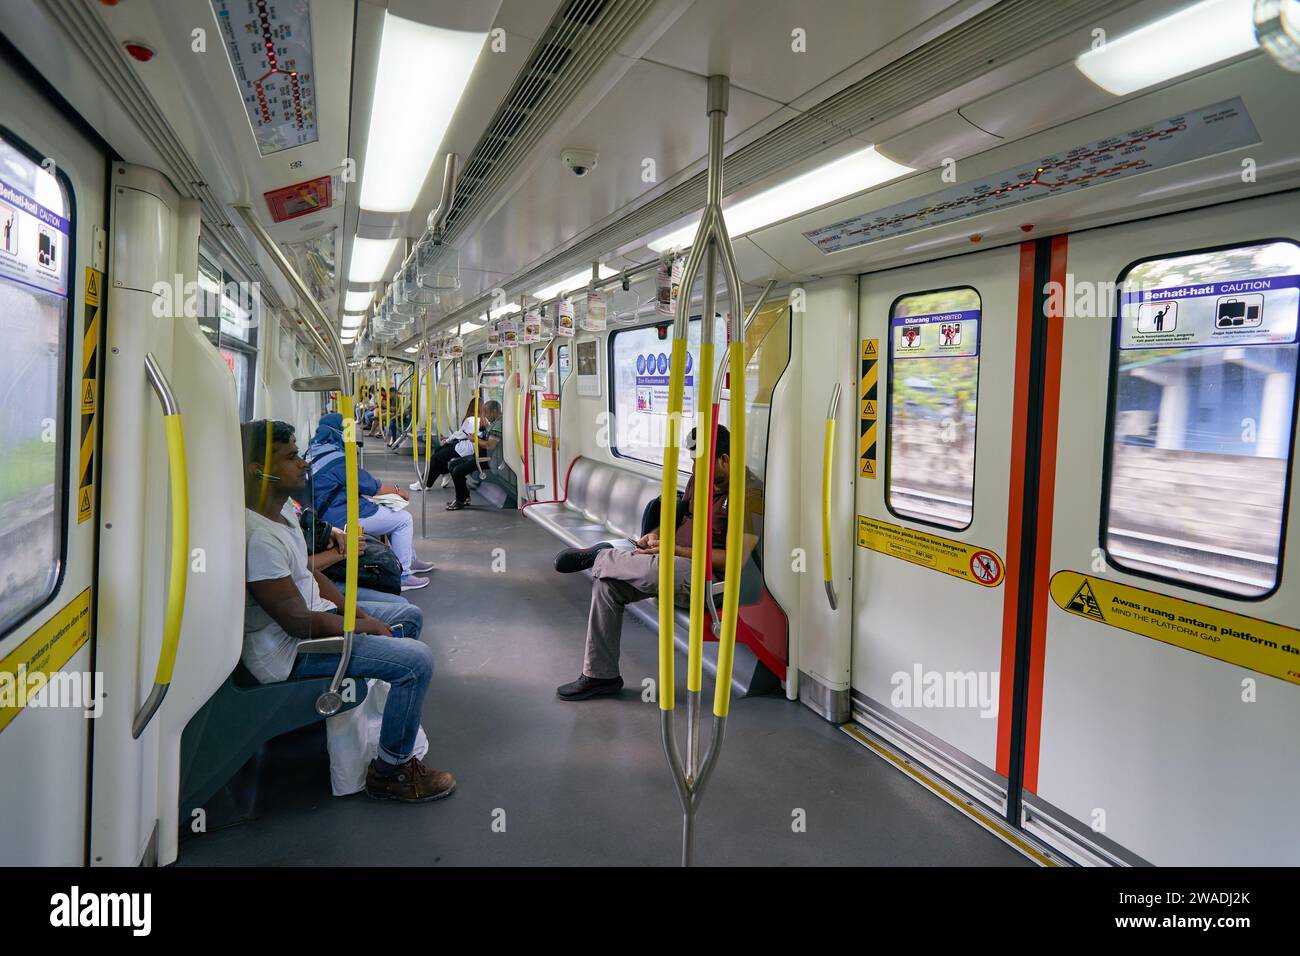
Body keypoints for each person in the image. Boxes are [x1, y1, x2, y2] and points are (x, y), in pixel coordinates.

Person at [240, 419, 455, 801]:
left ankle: (384, 704)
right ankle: (392, 770)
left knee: (408, 614)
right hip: (288, 652)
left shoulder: (281, 513)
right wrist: (359, 626)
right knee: (416, 662)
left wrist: (352, 611)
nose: (304, 464)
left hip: (309, 617)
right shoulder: (258, 536)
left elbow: (307, 574)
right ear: (261, 470)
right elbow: (294, 620)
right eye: (291, 457)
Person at [552, 425, 762, 700]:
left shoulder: (751, 495)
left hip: (708, 578)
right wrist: (654, 537)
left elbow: (735, 560)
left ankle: (602, 556)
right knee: (607, 585)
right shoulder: (699, 480)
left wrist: (674, 549)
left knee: (659, 567)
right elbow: (677, 522)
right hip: (669, 561)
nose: (697, 472)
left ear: (724, 459)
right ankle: (600, 676)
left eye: (704, 465)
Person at [306, 412, 433, 590]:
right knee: (404, 520)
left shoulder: (313, 452)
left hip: (325, 513)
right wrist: (398, 490)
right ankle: (402, 575)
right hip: (342, 516)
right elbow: (374, 488)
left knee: (391, 514)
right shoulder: (338, 459)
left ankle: (409, 560)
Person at [409, 404, 482, 491]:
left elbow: (461, 434)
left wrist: (447, 440)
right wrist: (448, 439)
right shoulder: (480, 420)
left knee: (436, 457)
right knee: (438, 450)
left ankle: (424, 483)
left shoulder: (471, 420)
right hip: (466, 446)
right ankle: (445, 471)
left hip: (465, 448)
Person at [445, 400, 501, 510]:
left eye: (486, 412)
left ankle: (460, 500)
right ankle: (464, 497)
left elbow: (490, 445)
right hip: (480, 455)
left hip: (488, 459)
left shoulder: (498, 426)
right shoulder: (494, 423)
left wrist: (475, 440)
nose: (485, 416)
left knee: (458, 471)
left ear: (494, 411)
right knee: (452, 464)